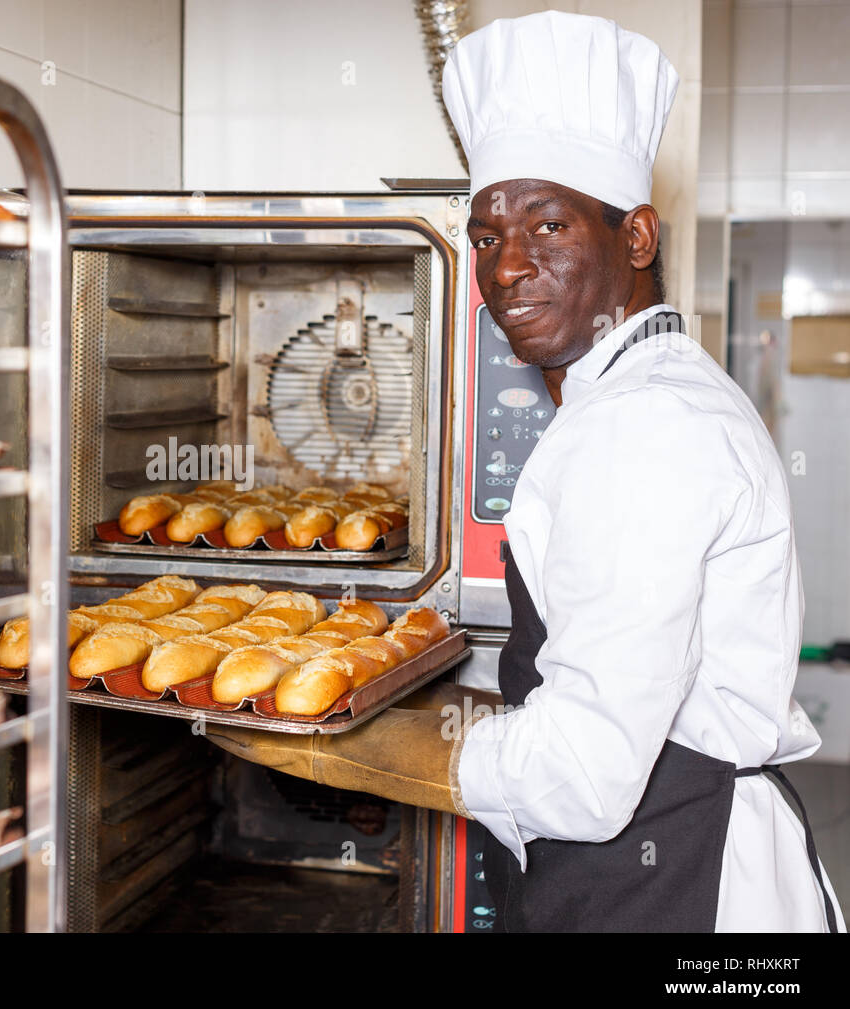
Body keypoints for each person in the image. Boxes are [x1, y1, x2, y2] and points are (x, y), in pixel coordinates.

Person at [209, 10, 843, 933]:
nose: (507, 267)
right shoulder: (636, 394)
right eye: (485, 236)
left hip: (678, 884)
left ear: (636, 238)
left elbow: (585, 775)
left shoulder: (646, 426)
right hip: (660, 859)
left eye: (548, 223)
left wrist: (364, 749)